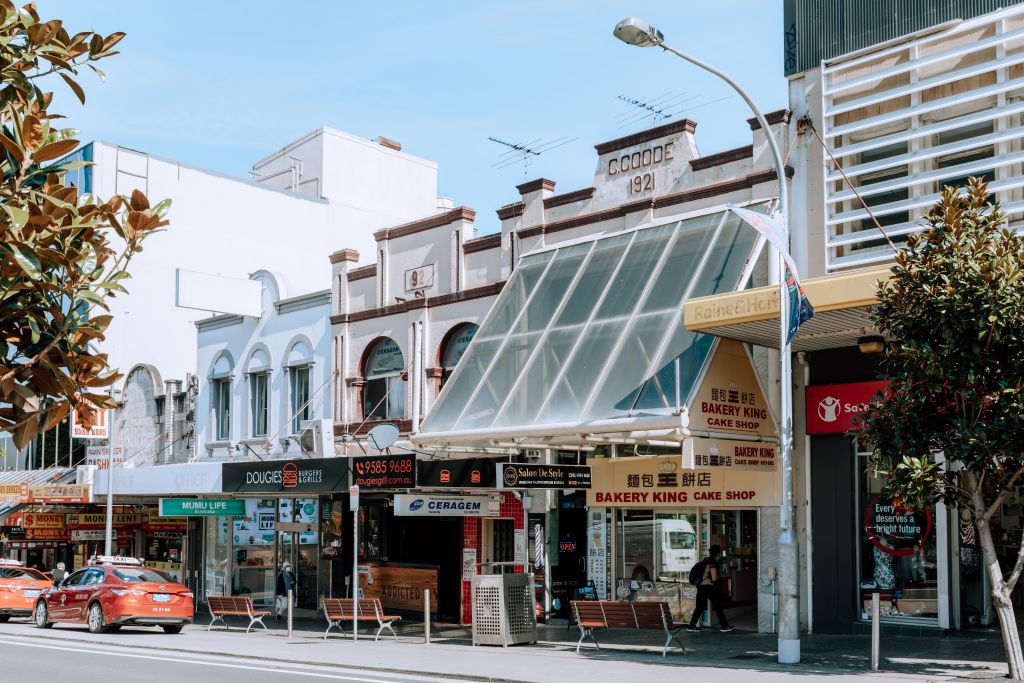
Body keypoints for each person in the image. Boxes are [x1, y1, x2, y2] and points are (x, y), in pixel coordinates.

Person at [687, 545, 734, 633]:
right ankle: (724, 626)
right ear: (718, 553)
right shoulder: (712, 563)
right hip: (708, 587)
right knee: (717, 606)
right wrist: (720, 575)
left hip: (700, 586)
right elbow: (714, 578)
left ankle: (691, 626)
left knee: (699, 607)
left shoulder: (705, 560)